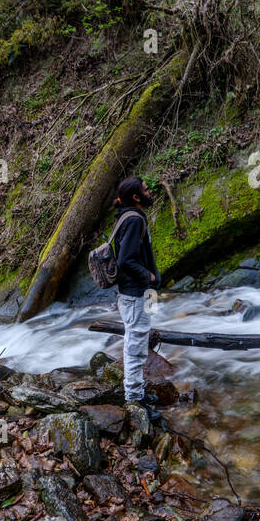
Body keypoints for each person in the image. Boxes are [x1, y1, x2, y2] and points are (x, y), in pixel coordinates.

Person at [112, 176, 161, 413]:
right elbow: (125, 261)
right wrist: (149, 277)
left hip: (144, 294)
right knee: (134, 344)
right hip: (135, 295)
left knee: (141, 340)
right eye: (146, 189)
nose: (150, 192)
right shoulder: (133, 220)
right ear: (136, 197)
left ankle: (138, 391)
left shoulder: (131, 216)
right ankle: (133, 397)